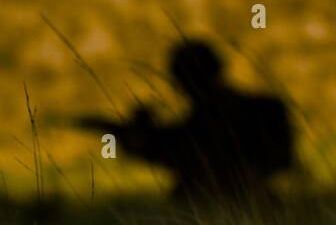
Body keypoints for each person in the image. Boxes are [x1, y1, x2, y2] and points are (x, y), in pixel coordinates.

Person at [78, 40, 294, 199]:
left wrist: (132, 134)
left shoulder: (216, 117)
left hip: (218, 202)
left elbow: (176, 152)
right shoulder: (263, 107)